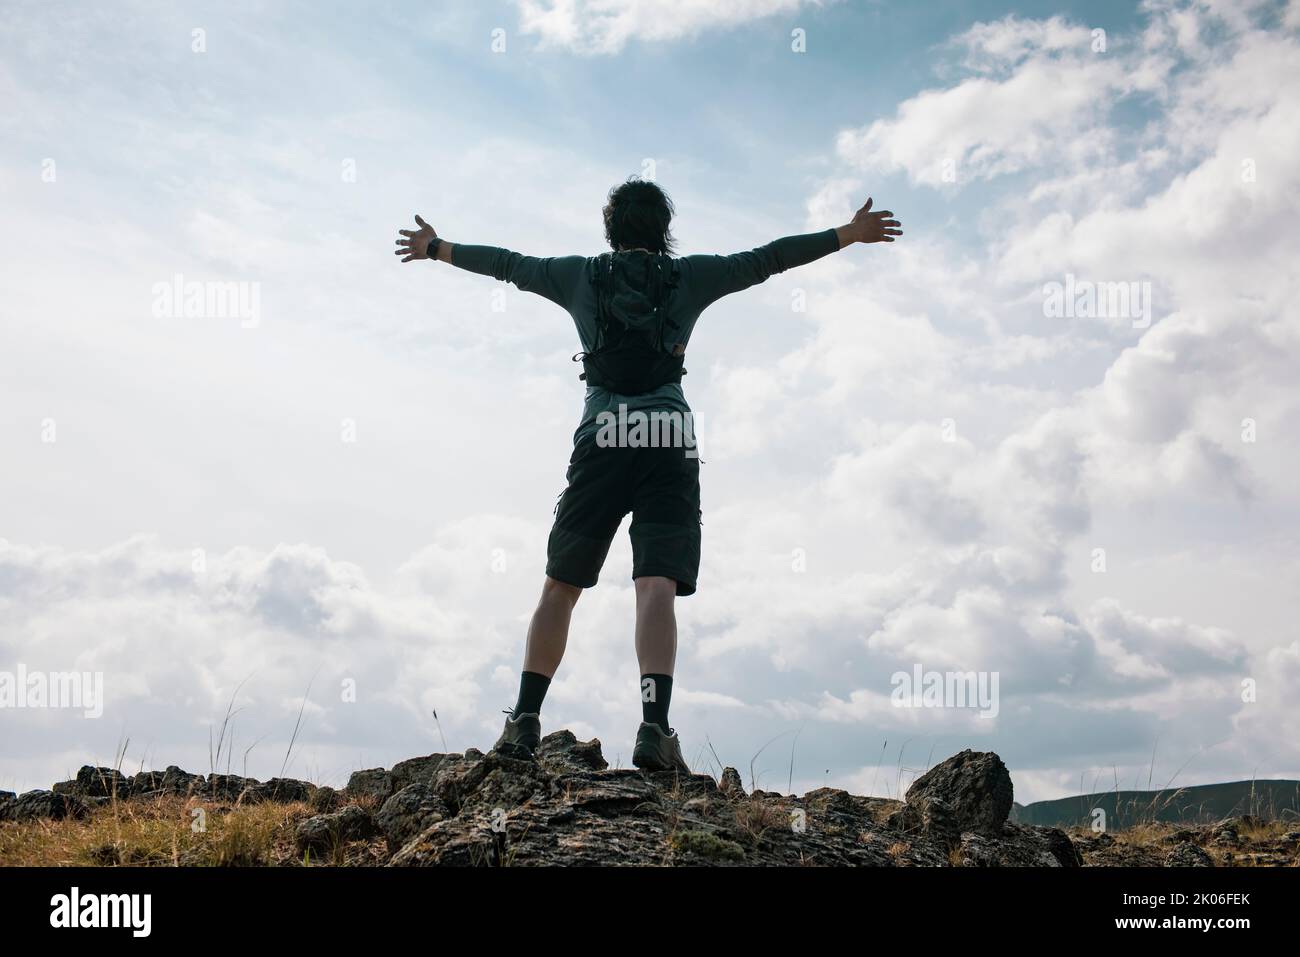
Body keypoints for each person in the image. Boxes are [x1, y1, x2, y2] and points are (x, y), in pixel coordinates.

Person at [394, 178, 902, 772]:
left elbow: (507, 264)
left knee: (562, 585)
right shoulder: (691, 278)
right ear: (665, 229)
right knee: (655, 586)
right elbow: (769, 259)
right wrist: (849, 233)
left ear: (611, 229)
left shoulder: (578, 275)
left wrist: (436, 248)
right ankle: (653, 729)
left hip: (603, 436)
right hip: (667, 436)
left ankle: (525, 720)